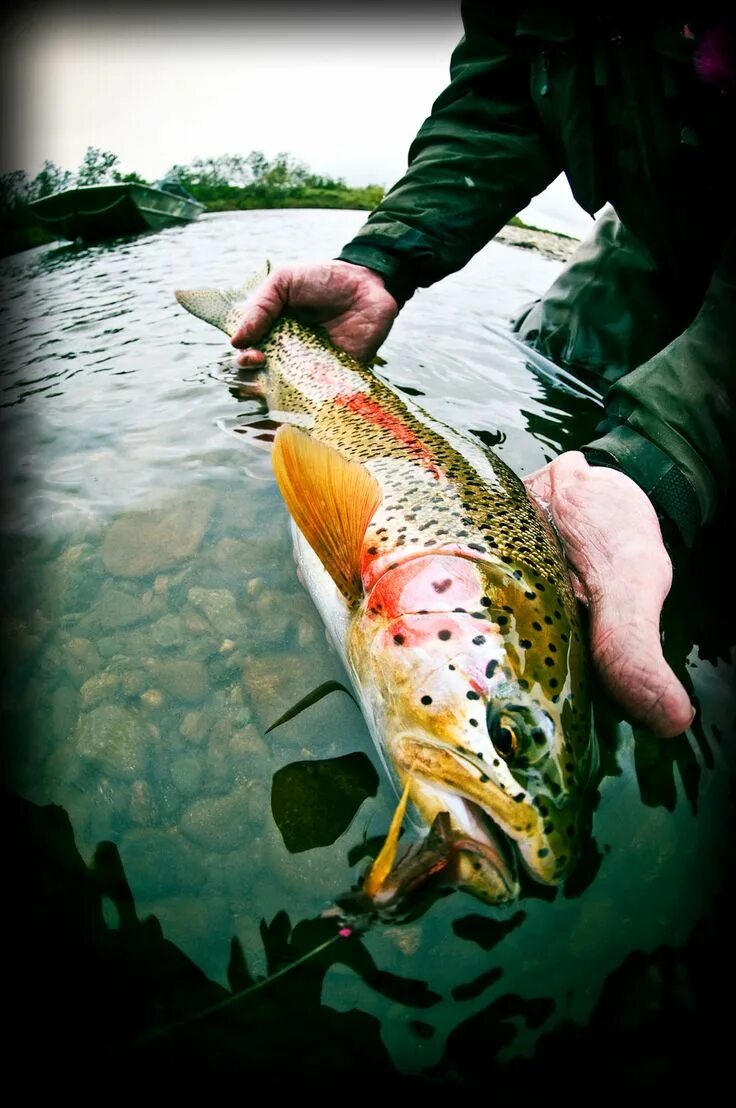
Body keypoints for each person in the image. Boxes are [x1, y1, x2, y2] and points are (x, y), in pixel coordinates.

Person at [229, 9, 735, 739]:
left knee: (694, 477)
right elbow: (498, 99)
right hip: (648, 226)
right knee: (554, 353)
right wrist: (382, 261)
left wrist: (653, 469)